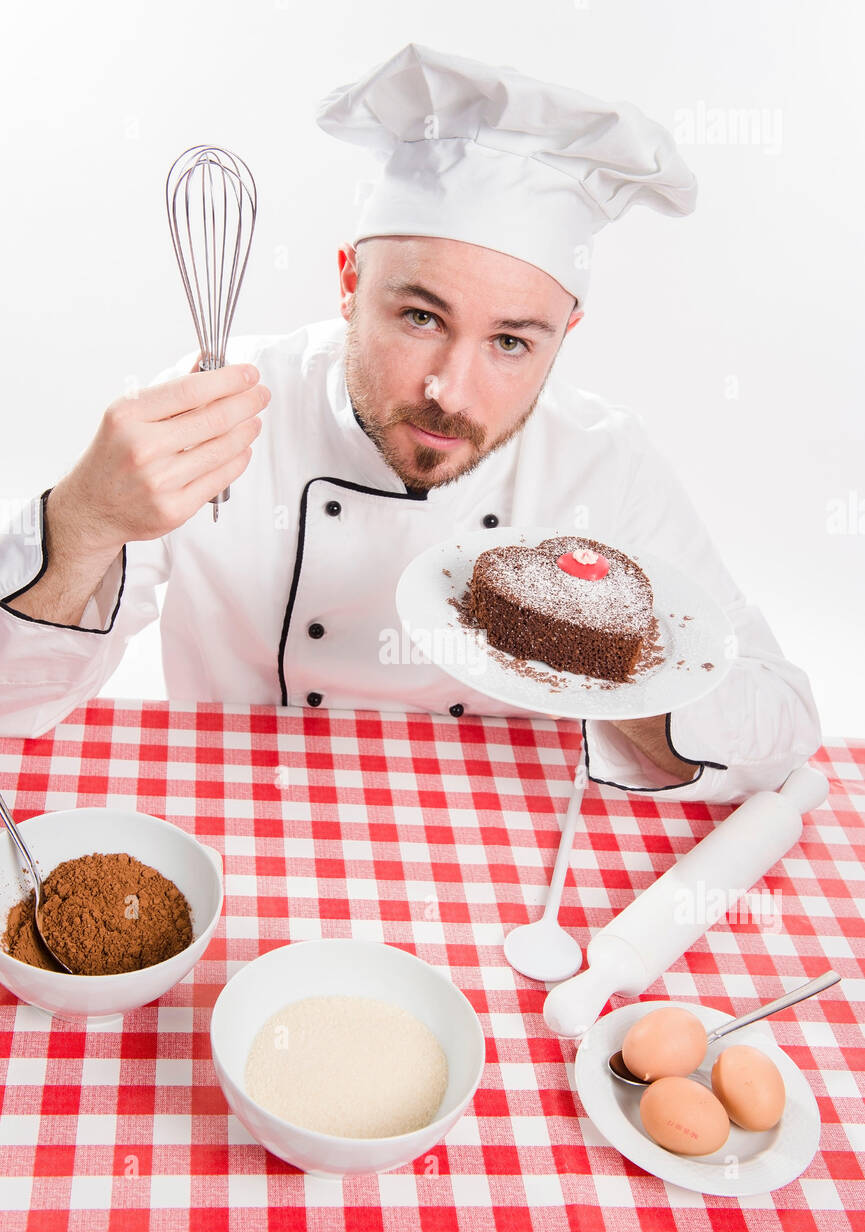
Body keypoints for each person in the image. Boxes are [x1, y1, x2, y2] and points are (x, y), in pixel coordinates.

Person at [0, 43, 820, 803]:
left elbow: (782, 732)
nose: (450, 393)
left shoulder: (602, 462)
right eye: (421, 317)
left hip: (499, 836)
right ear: (350, 283)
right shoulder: (219, 404)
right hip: (240, 809)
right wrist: (82, 521)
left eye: (508, 342)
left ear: (561, 339)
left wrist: (605, 673)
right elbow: (14, 709)